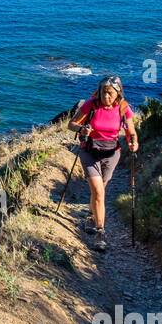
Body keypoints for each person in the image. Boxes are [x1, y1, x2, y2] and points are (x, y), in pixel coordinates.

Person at [67, 75, 138, 251]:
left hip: (111, 154)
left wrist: (133, 142)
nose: (106, 97)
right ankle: (100, 233)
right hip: (89, 151)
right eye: (103, 92)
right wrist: (82, 128)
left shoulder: (123, 108)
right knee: (99, 192)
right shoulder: (91, 104)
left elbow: (131, 130)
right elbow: (71, 124)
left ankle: (92, 217)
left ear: (118, 93)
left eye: (110, 93)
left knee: (100, 190)